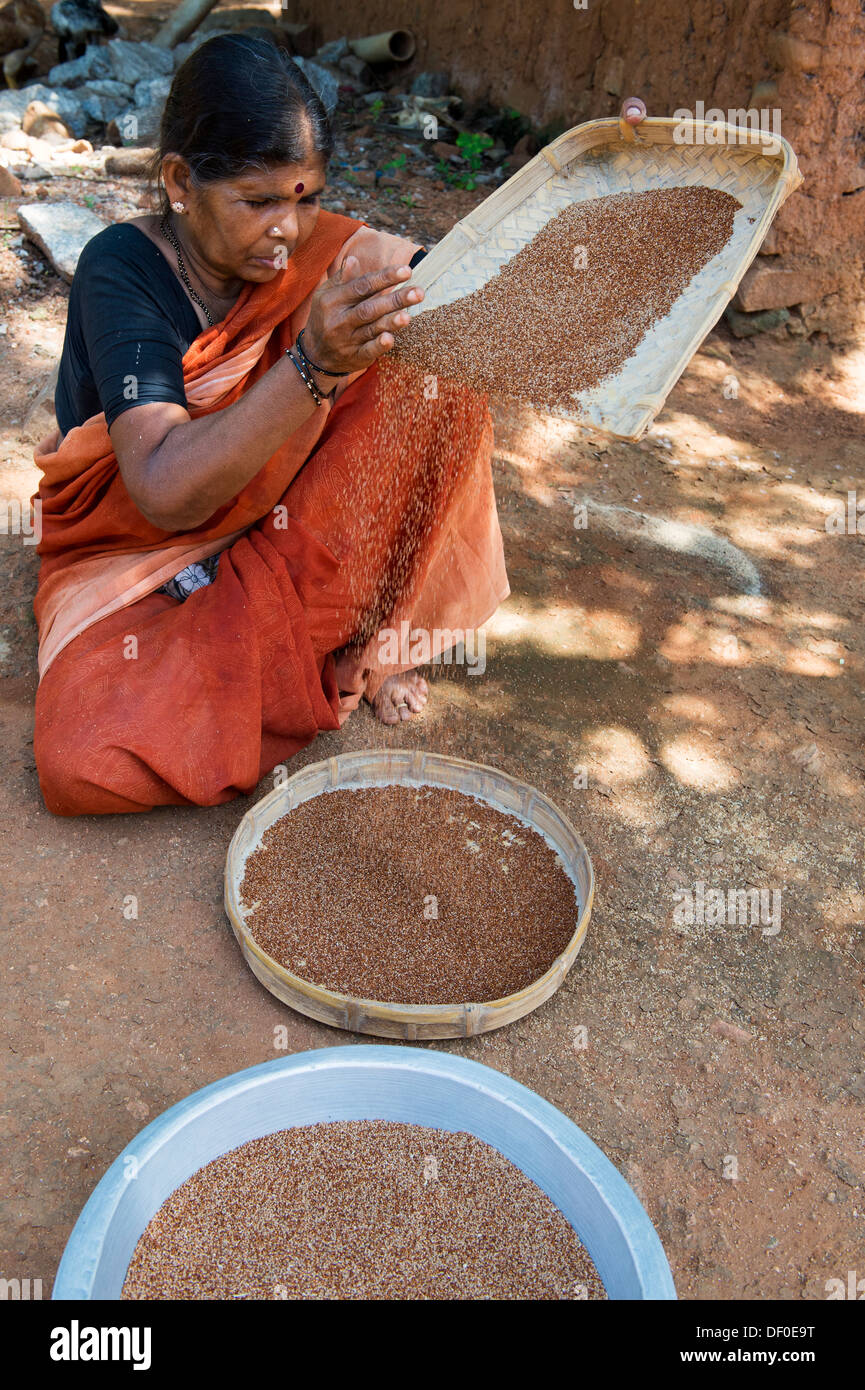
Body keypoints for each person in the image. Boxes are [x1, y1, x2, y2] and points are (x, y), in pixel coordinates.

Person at [32, 34, 510, 815]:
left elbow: (462, 295)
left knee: (432, 367)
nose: (287, 230)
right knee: (90, 754)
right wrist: (312, 366)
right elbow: (160, 489)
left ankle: (373, 639)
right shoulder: (121, 269)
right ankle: (270, 641)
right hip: (143, 551)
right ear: (181, 181)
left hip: (272, 516)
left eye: (307, 197)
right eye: (257, 202)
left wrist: (592, 197)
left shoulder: (323, 251)